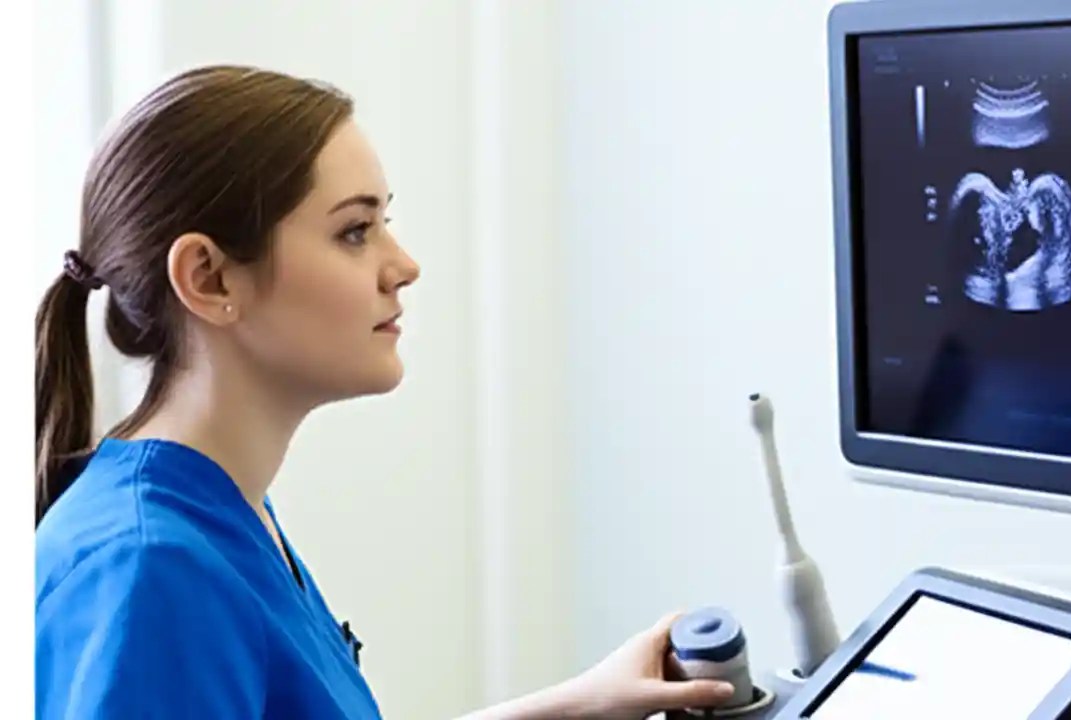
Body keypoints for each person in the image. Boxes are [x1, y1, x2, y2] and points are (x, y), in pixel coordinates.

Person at [34, 65, 735, 719]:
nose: (403, 266)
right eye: (354, 231)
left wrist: (582, 702)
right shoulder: (151, 570)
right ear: (210, 278)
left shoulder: (220, 513)